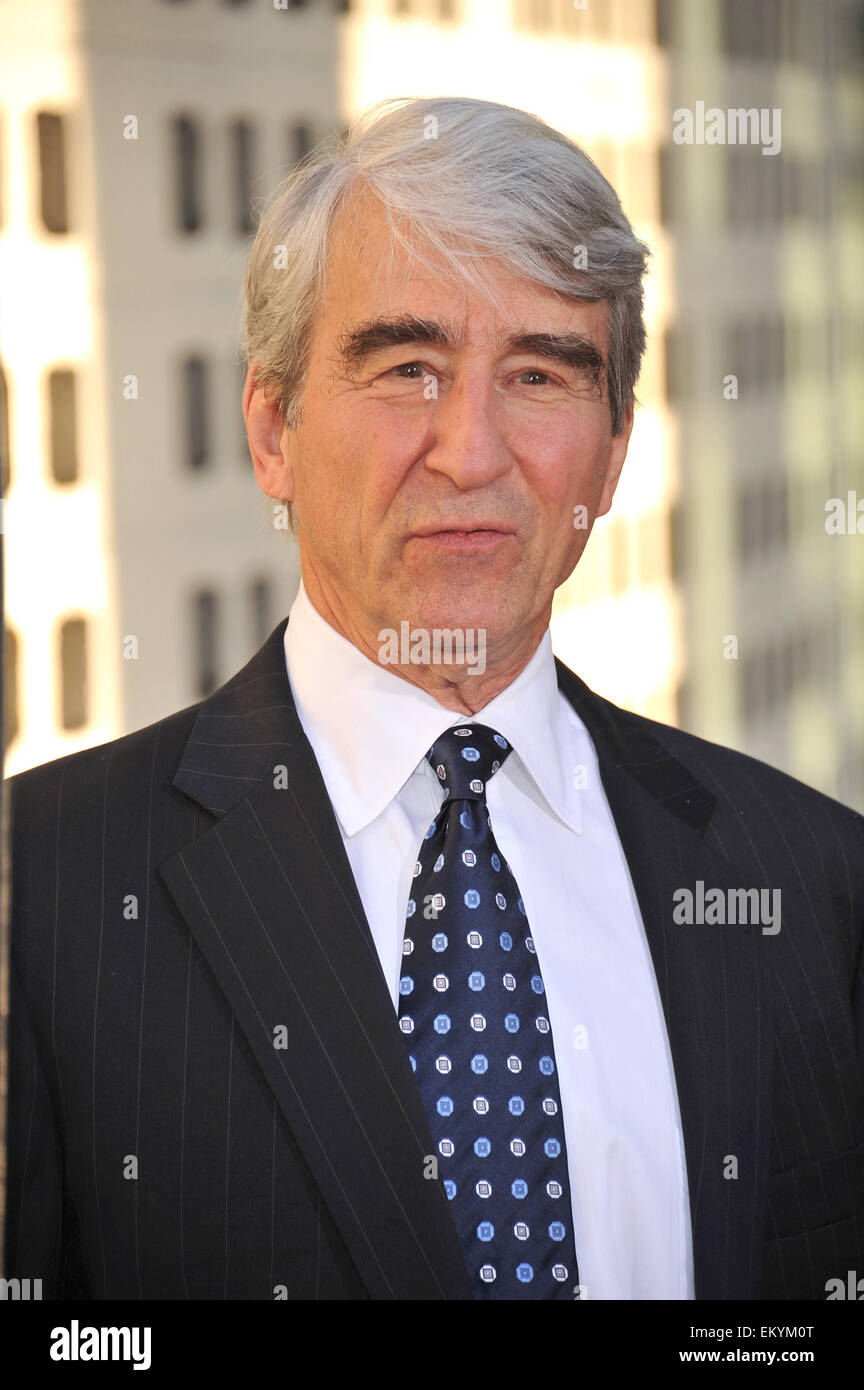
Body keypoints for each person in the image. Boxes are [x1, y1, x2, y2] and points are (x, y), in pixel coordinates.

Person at [5, 96, 863, 1302]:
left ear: (612, 454)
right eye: (408, 368)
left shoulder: (816, 883)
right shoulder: (38, 893)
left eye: (540, 374)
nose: (471, 448)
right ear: (272, 431)